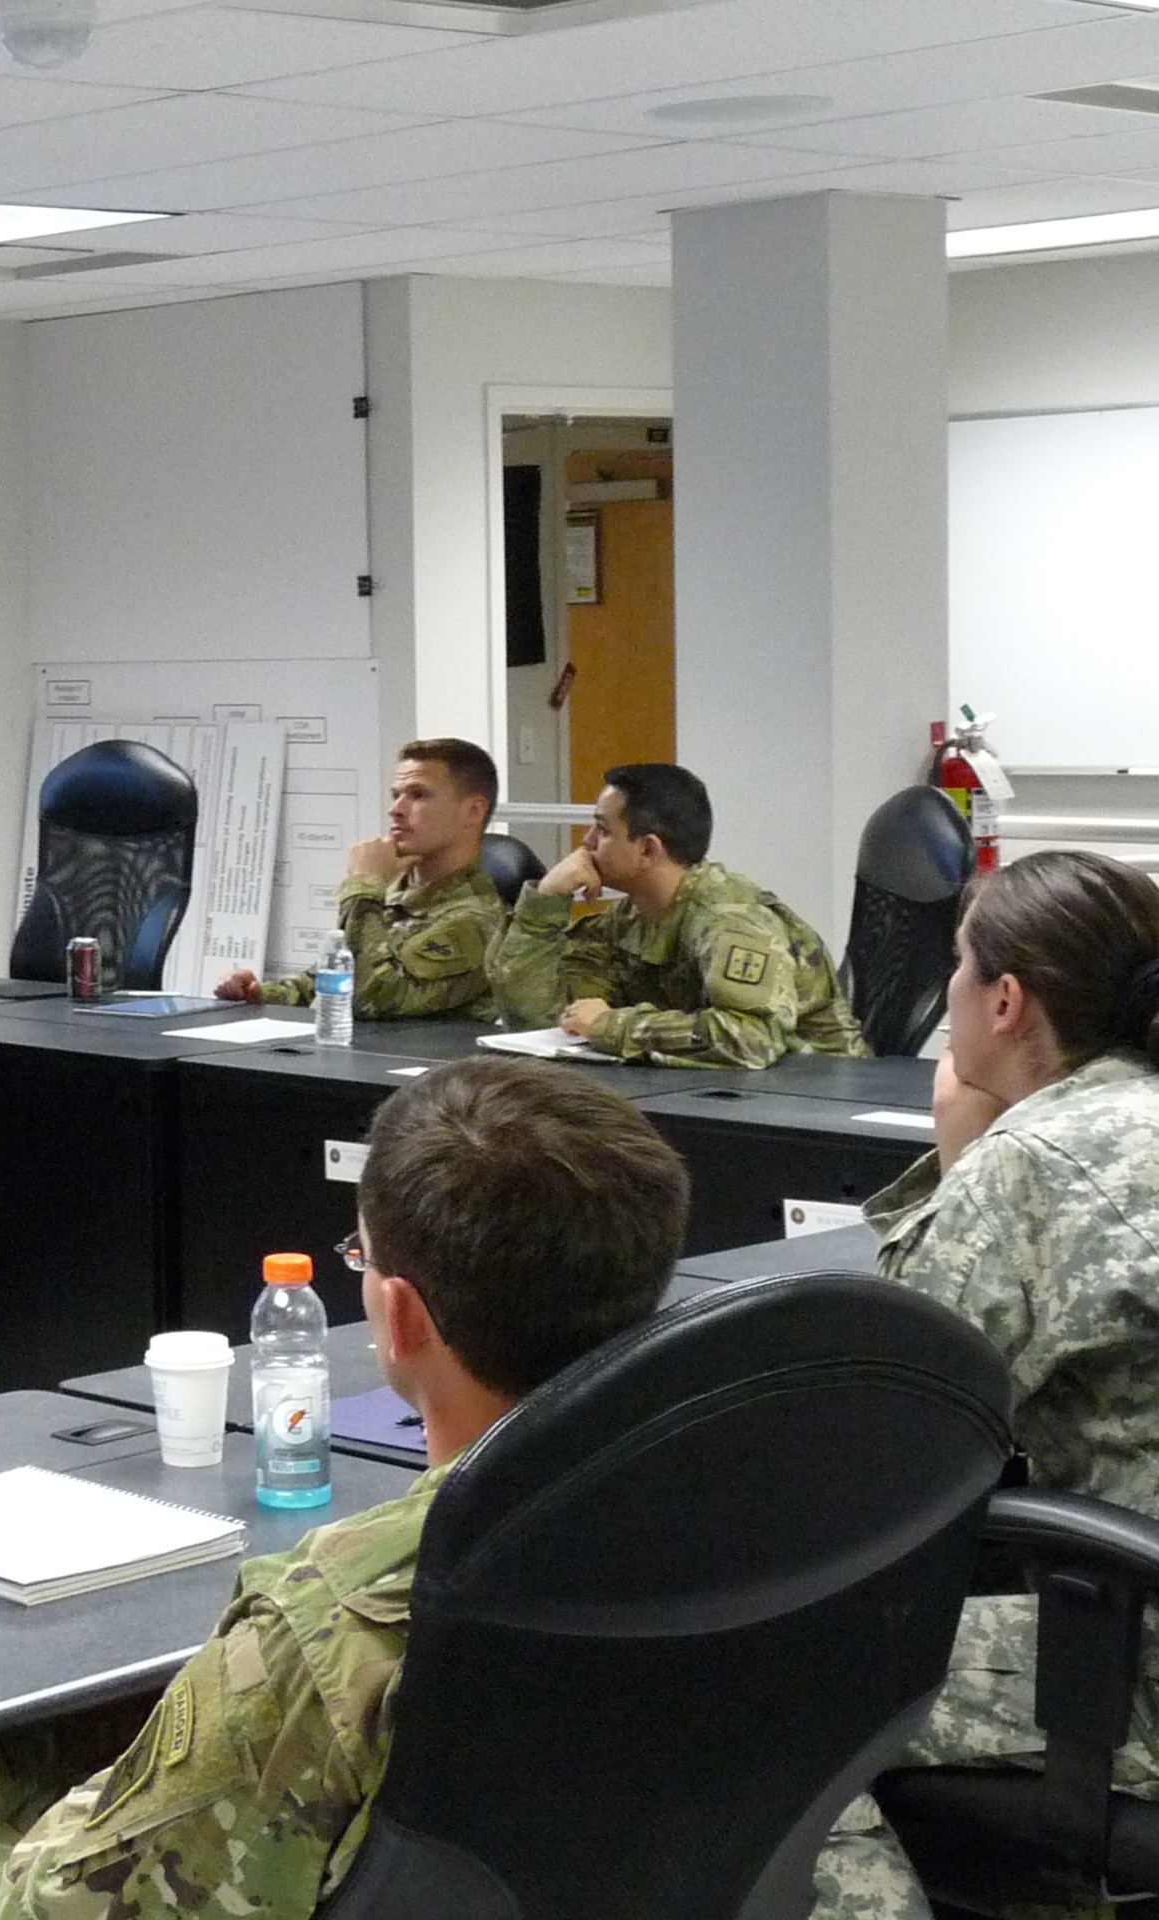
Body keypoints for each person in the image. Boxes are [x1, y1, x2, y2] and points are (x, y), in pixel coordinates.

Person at [0, 1055, 688, 1919]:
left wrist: (80, 1818)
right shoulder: (737, 1496)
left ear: (397, 1316)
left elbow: (61, 1907)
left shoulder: (328, 1629)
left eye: (360, 1258)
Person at [818, 850, 1159, 1920]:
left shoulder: (1040, 1159)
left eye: (958, 969)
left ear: (1004, 1001)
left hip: (1141, 1665)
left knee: (764, 1689)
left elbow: (879, 1439)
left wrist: (969, 1162)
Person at [489, 761, 867, 1068]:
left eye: (602, 830)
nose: (586, 843)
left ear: (649, 850)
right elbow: (539, 1017)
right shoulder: (629, 917)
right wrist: (546, 899)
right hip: (726, 1097)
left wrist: (612, 1026)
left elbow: (750, 1040)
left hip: (817, 1098)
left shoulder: (730, 919)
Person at [216, 738, 507, 1019]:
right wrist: (260, 994)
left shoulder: (478, 919)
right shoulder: (399, 890)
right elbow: (330, 975)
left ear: (473, 810)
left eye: (418, 795)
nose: (396, 809)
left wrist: (364, 884)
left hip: (416, 1064)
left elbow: (369, 998)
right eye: (396, 795)